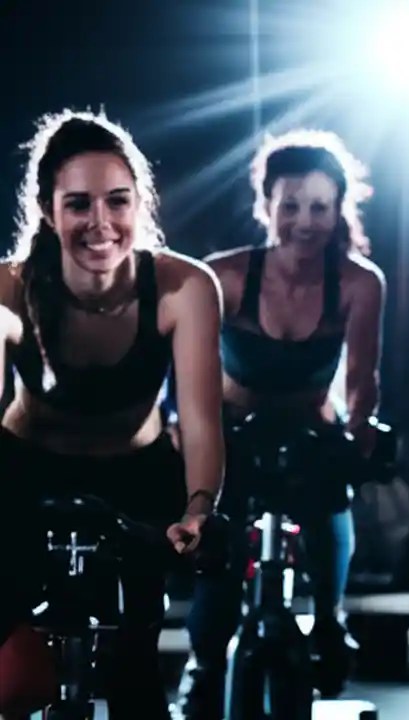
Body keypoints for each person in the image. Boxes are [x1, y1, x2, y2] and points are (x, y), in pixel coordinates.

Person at [0, 110, 224, 719]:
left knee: (133, 673)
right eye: (78, 205)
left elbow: (200, 422)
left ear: (139, 205)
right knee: (15, 681)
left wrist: (199, 508)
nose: (100, 224)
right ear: (49, 210)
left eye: (117, 202)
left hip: (137, 478)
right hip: (24, 475)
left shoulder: (185, 287)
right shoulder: (10, 291)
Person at [175, 129, 385, 718]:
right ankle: (205, 663)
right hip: (232, 430)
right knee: (217, 541)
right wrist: (181, 429)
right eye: (289, 205)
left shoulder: (360, 282)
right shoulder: (224, 277)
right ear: (266, 206)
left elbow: (362, 383)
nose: (304, 221)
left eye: (320, 206)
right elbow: (186, 369)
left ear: (338, 208)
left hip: (311, 429)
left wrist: (362, 433)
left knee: (331, 504)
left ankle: (329, 619)